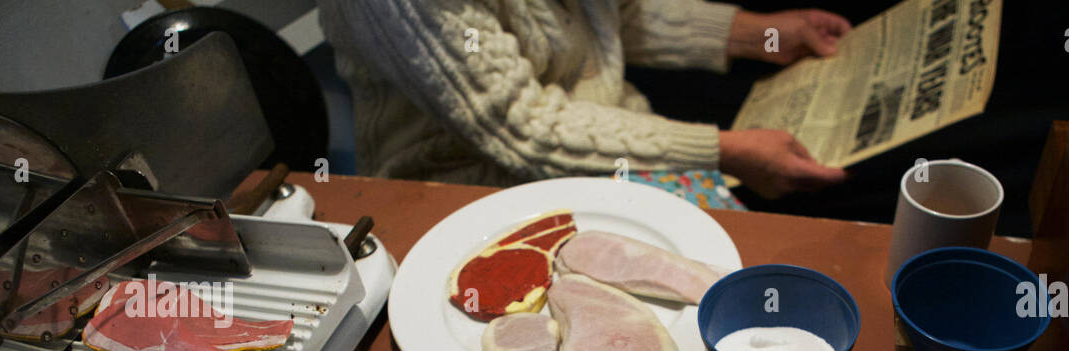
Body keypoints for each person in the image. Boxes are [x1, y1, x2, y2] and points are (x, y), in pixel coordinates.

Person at [317, 1, 851, 198]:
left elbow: (615, 14)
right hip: (472, 183)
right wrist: (725, 150)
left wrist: (759, 35)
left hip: (612, 145)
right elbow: (522, 128)